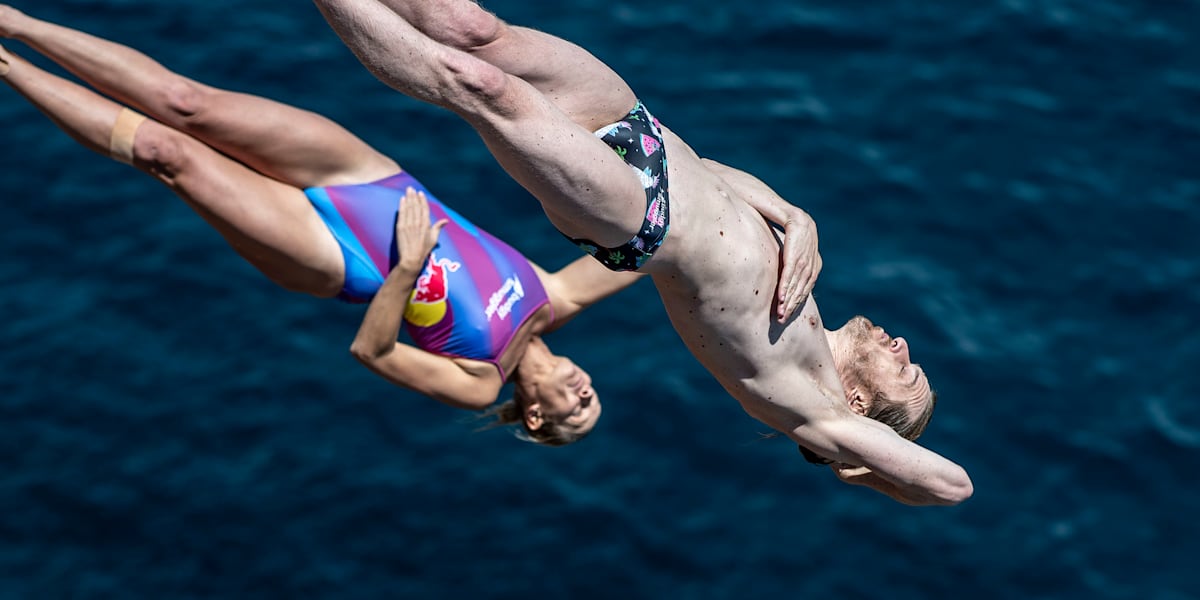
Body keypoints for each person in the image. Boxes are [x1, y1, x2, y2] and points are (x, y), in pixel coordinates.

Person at [0, 7, 815, 447]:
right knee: (189, 105)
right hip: (374, 181)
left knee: (167, 153)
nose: (580, 394)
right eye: (591, 398)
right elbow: (679, 241)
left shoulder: (479, 380)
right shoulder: (554, 297)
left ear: (536, 417)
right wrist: (781, 227)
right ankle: (16, 23)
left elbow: (373, 352)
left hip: (338, 257)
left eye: (573, 413)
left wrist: (404, 268)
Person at [312, 0, 973, 504]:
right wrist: (792, 213)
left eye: (905, 373)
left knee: (478, 86)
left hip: (633, 215)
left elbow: (951, 487)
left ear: (862, 408)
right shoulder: (807, 297)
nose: (903, 347)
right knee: (474, 31)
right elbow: (714, 181)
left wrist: (862, 469)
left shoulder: (807, 405)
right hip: (647, 130)